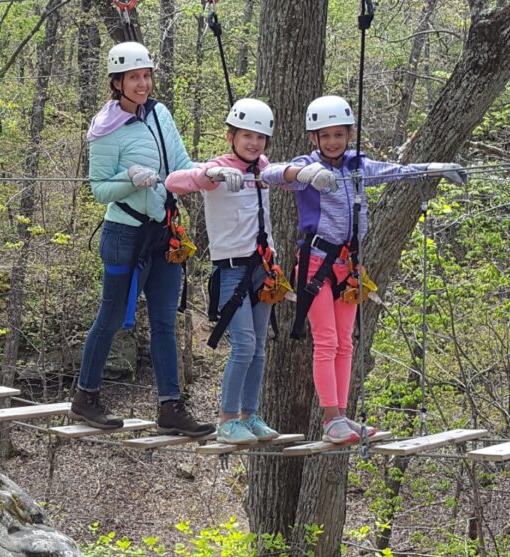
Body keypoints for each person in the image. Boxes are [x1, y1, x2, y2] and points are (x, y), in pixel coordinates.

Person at [261, 95, 467, 444]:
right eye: (324, 135)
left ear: (349, 134)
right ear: (314, 138)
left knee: (346, 343)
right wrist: (305, 173)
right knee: (326, 341)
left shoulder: (358, 167)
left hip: (349, 266)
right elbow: (269, 174)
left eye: (338, 134)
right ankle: (330, 419)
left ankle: (341, 415)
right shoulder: (307, 165)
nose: (332, 142)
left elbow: (396, 172)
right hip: (314, 264)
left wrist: (434, 168)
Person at [69, 42, 214, 437]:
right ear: (117, 83)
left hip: (164, 233)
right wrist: (129, 179)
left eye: (146, 76)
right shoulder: (104, 130)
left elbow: (181, 167)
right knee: (113, 317)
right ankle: (85, 397)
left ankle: (171, 407)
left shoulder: (160, 114)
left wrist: (211, 174)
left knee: (166, 321)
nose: (142, 84)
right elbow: (98, 190)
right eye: (134, 77)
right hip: (124, 233)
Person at [165, 98, 281, 444]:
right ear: (232, 136)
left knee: (259, 346)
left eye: (260, 138)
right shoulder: (217, 170)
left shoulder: (263, 168)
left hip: (264, 268)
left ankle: (250, 414)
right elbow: (174, 181)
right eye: (247, 135)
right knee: (244, 344)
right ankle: (227, 418)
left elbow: (286, 172)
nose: (254, 143)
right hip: (232, 270)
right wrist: (212, 174)